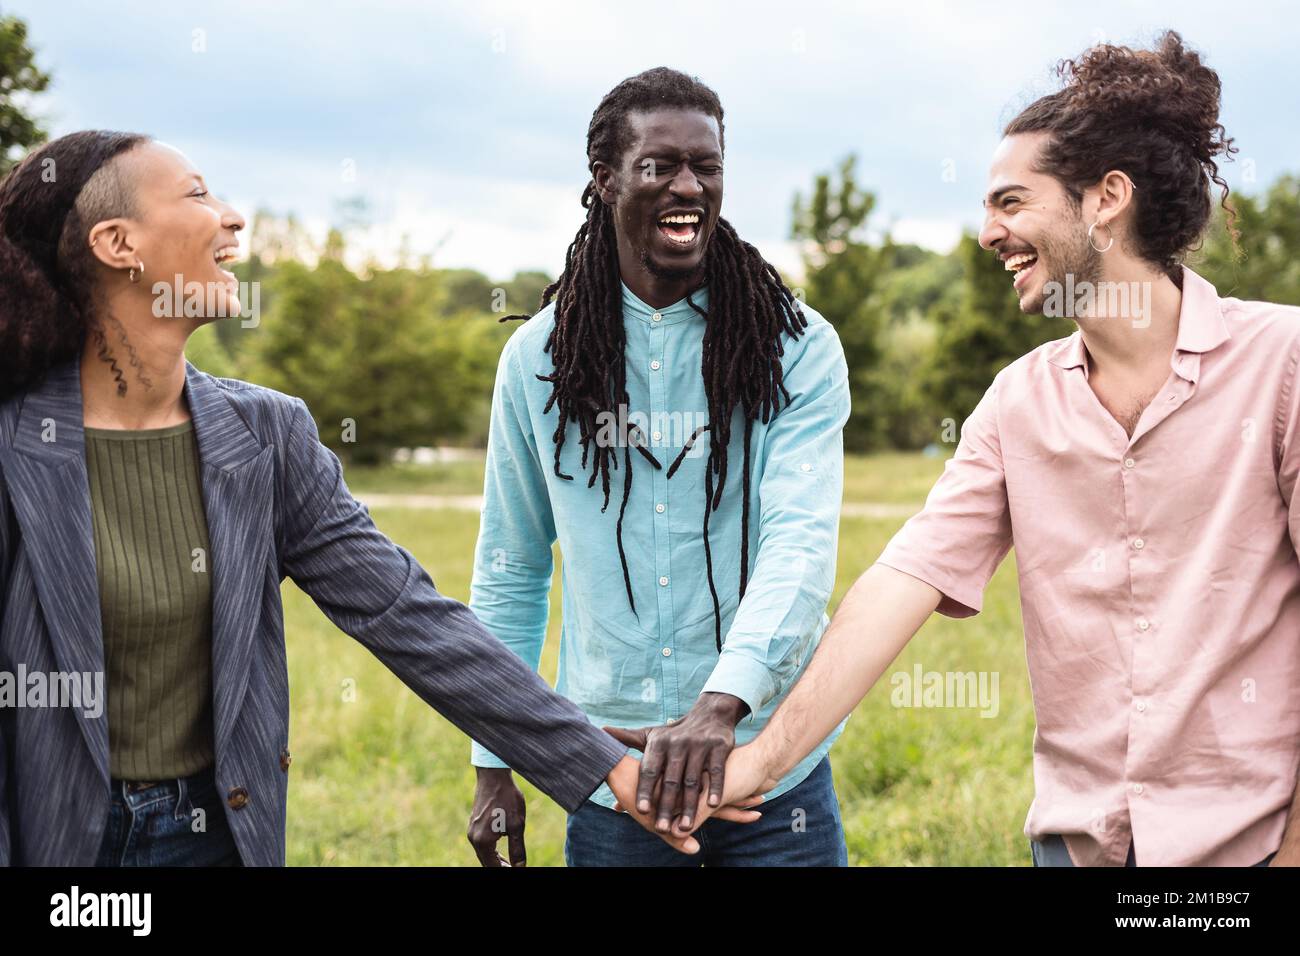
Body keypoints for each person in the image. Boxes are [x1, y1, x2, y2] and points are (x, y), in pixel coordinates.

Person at [0, 130, 755, 866]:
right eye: (198, 194)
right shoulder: (12, 445)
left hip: (211, 834)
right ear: (117, 245)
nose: (231, 217)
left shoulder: (267, 436)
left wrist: (604, 763)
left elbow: (406, 615)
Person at [684, 31, 1300, 867]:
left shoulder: (1280, 365)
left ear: (1105, 198)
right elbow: (900, 585)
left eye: (1011, 202)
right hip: (1076, 848)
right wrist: (757, 763)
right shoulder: (1018, 402)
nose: (987, 233)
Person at [465, 67, 851, 867]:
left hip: (769, 774)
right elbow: (510, 569)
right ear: (606, 181)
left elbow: (799, 546)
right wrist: (492, 764)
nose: (689, 186)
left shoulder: (797, 347)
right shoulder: (537, 361)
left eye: (706, 168)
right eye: (659, 167)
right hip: (613, 778)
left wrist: (720, 708)